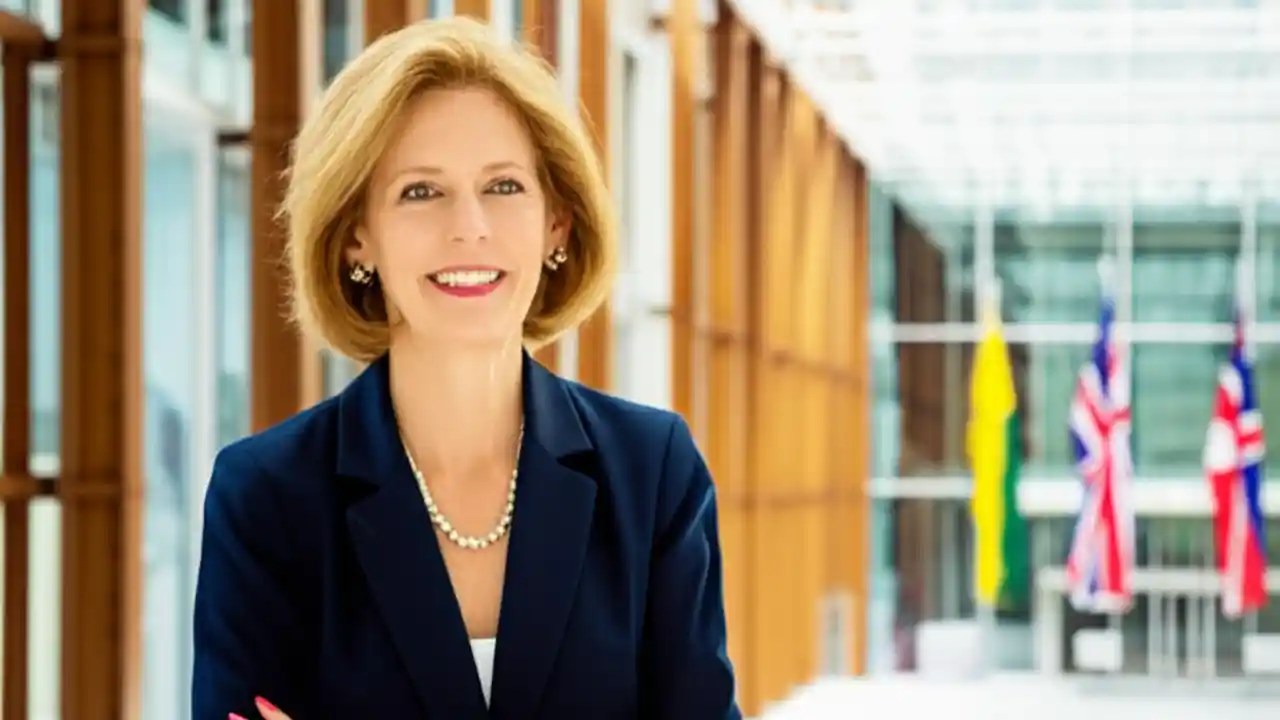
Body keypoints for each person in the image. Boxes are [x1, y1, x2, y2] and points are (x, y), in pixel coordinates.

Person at [191, 16, 740, 720]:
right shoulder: (266, 495)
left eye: (504, 186)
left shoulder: (652, 472)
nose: (469, 227)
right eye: (422, 191)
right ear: (359, 234)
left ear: (557, 226)